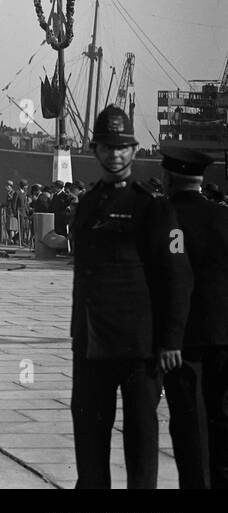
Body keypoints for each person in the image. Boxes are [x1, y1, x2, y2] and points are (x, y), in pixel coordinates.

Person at [69, 106, 191, 490]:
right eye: (107, 146)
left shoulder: (154, 206)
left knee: (140, 437)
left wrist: (171, 340)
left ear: (135, 150)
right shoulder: (86, 205)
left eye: (122, 147)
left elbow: (177, 276)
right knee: (89, 437)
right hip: (91, 344)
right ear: (95, 150)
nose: (115, 155)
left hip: (140, 345)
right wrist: (77, 336)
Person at [157, 145, 228, 490]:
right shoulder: (223, 216)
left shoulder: (167, 219)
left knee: (189, 426)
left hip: (184, 340)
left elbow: (170, 276)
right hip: (223, 336)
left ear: (168, 178)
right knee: (222, 420)